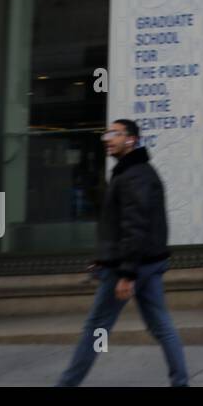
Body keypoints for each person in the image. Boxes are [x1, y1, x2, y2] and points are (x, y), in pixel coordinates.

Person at [57, 119, 189, 387]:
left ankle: (65, 385)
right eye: (107, 133)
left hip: (129, 267)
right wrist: (104, 257)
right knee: (161, 327)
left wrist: (126, 273)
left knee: (96, 328)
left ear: (131, 140)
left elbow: (136, 227)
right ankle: (181, 382)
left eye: (114, 134)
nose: (107, 139)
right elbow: (123, 225)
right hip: (144, 262)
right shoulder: (133, 172)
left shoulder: (134, 175)